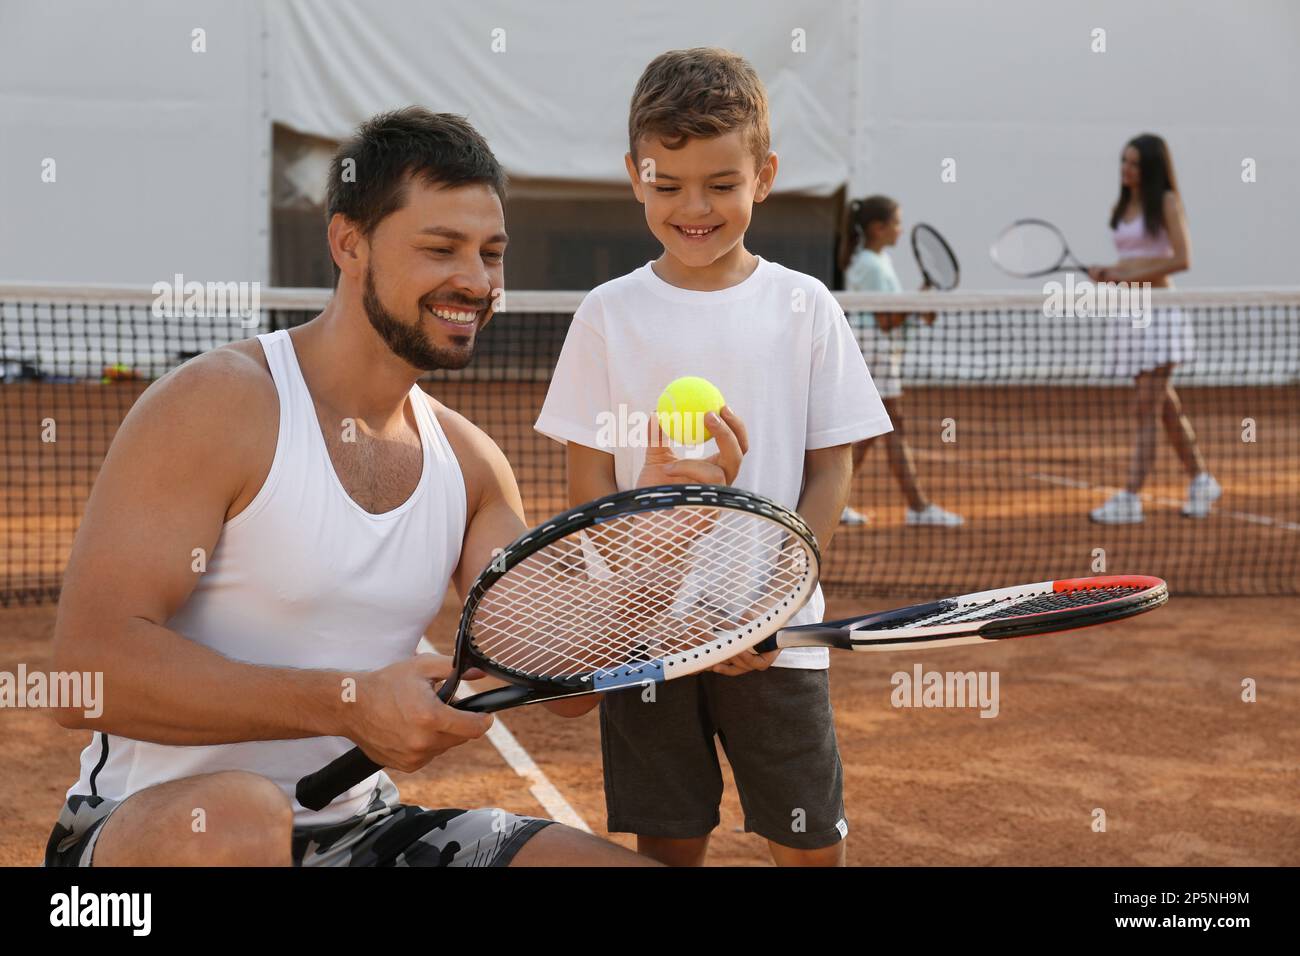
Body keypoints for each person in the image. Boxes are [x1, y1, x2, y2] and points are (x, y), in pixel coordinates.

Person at [45, 108, 661, 867]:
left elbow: (560, 680)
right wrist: (347, 702)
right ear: (349, 243)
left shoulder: (470, 465)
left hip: (357, 831)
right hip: (152, 840)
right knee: (243, 819)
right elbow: (81, 675)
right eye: (441, 248)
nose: (475, 280)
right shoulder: (219, 405)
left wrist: (659, 537)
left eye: (492, 254)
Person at [534, 48, 892, 866]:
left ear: (764, 176)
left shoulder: (805, 305)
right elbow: (588, 488)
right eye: (667, 186)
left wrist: (771, 605)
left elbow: (833, 466)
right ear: (634, 176)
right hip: (641, 642)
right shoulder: (606, 315)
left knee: (807, 842)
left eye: (721, 185)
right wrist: (645, 598)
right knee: (667, 840)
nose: (694, 207)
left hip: (777, 638)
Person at [1087, 133, 1219, 523]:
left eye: (1134, 164)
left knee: (1145, 407)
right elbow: (1133, 259)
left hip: (1160, 314)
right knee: (1164, 407)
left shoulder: (1166, 202)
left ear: (1152, 168)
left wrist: (1128, 276)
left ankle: (1130, 497)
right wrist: (1109, 272)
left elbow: (1182, 259)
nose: (1126, 170)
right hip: (1130, 316)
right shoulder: (1125, 203)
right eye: (1124, 162)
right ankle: (1201, 479)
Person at [837, 195, 962, 527]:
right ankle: (918, 506)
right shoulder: (871, 265)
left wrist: (919, 303)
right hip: (873, 348)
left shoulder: (877, 261)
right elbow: (886, 319)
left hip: (874, 349)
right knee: (890, 424)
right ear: (878, 228)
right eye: (896, 223)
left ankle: (835, 500)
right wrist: (917, 303)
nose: (900, 229)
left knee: (871, 429)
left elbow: (892, 312)